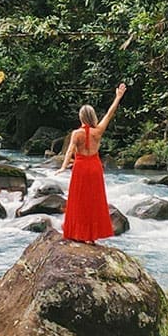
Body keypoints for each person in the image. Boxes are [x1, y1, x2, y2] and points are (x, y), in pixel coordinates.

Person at [58, 83, 127, 243]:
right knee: (94, 201)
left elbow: (69, 151)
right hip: (95, 167)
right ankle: (92, 236)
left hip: (81, 168)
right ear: (93, 116)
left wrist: (63, 167)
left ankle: (78, 233)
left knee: (79, 200)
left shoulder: (77, 133)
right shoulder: (98, 131)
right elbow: (109, 114)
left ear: (81, 117)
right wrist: (118, 97)